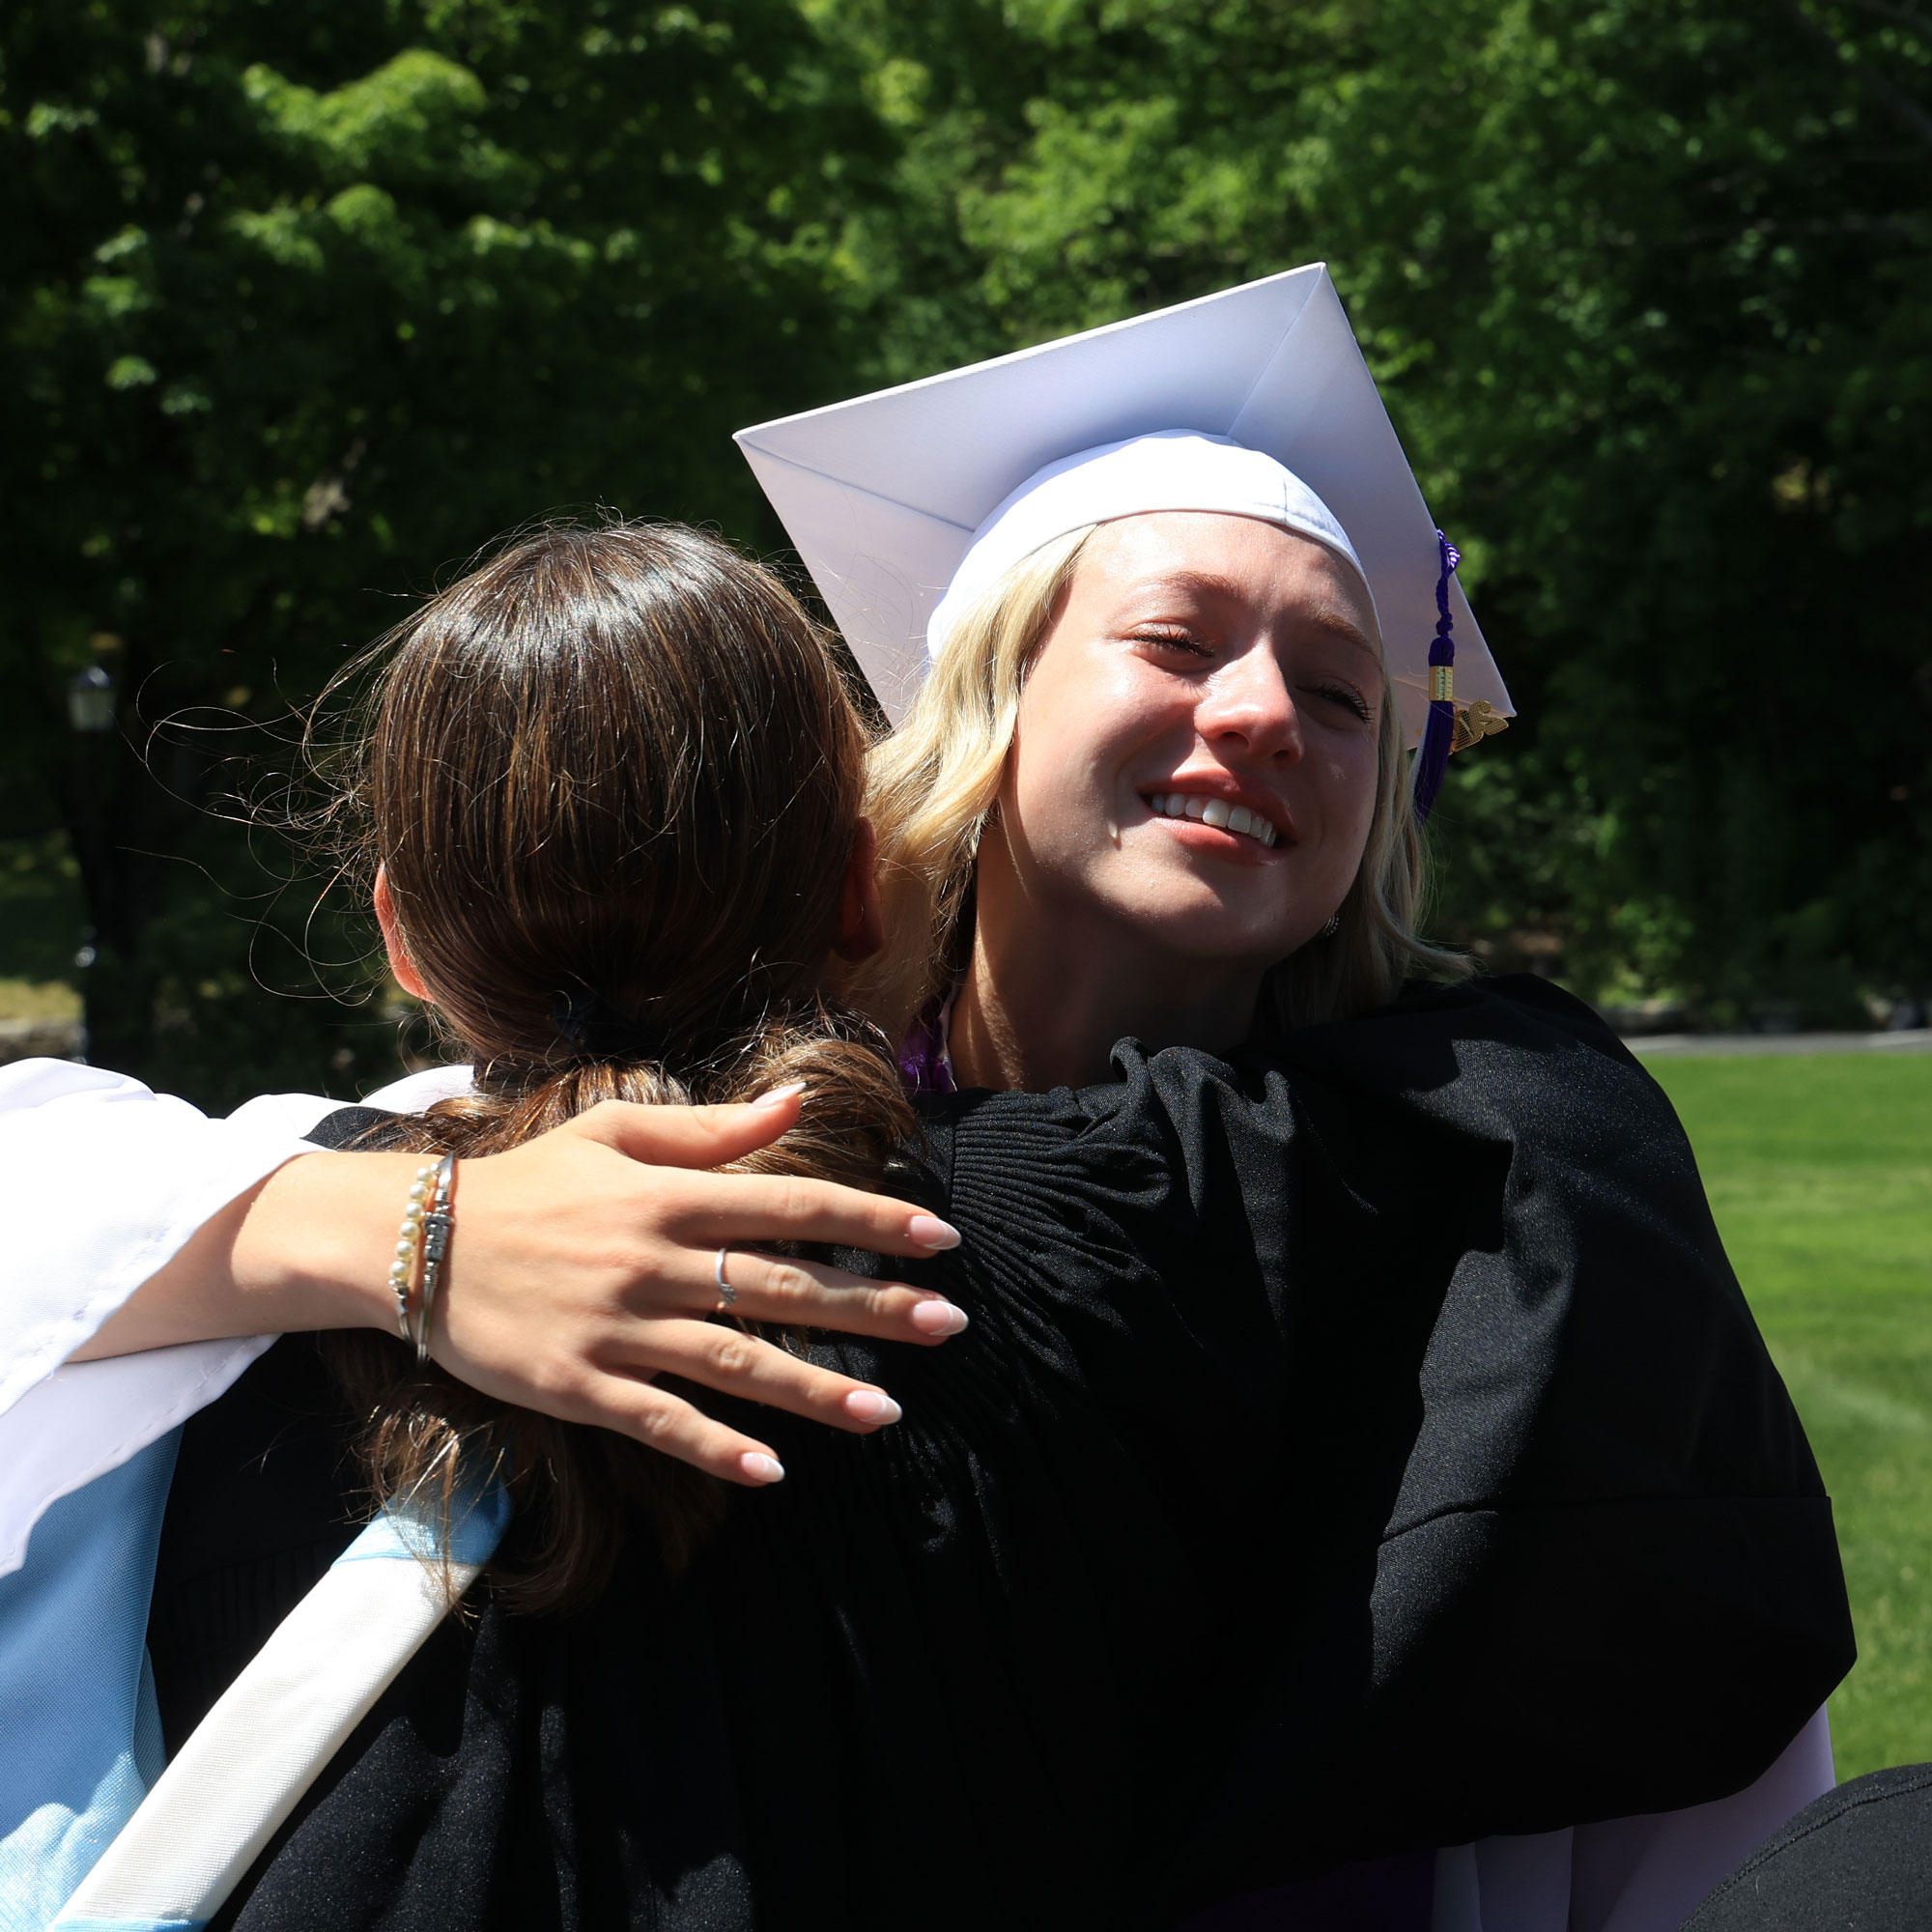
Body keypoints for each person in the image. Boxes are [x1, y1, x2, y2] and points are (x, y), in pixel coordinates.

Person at [3, 270, 1850, 1930]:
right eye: (1179, 639)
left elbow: (1686, 1735)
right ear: (991, 703)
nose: (1270, 709)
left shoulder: (1473, 1196)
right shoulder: (643, 1153)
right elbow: (78, 1200)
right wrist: (426, 1235)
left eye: (1345, 689)